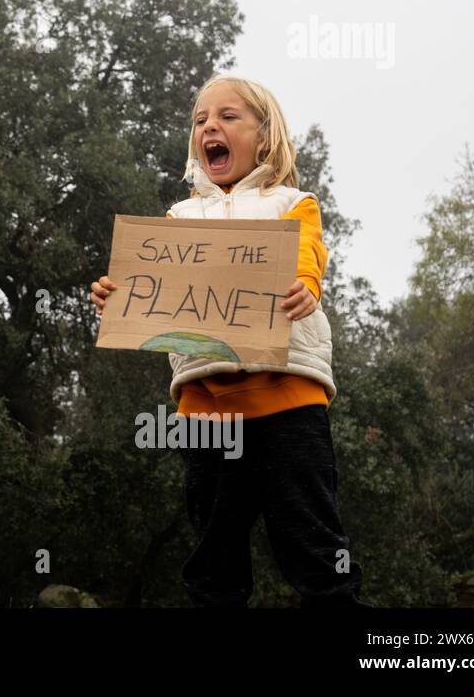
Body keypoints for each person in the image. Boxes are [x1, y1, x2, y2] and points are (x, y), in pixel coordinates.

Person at [90, 74, 366, 607]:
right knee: (215, 557)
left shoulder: (295, 203)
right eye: (200, 121)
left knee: (314, 547)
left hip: (290, 403)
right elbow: (149, 286)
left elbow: (308, 259)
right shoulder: (179, 218)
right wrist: (116, 296)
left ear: (264, 136)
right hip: (205, 411)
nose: (209, 126)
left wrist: (307, 287)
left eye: (228, 117)